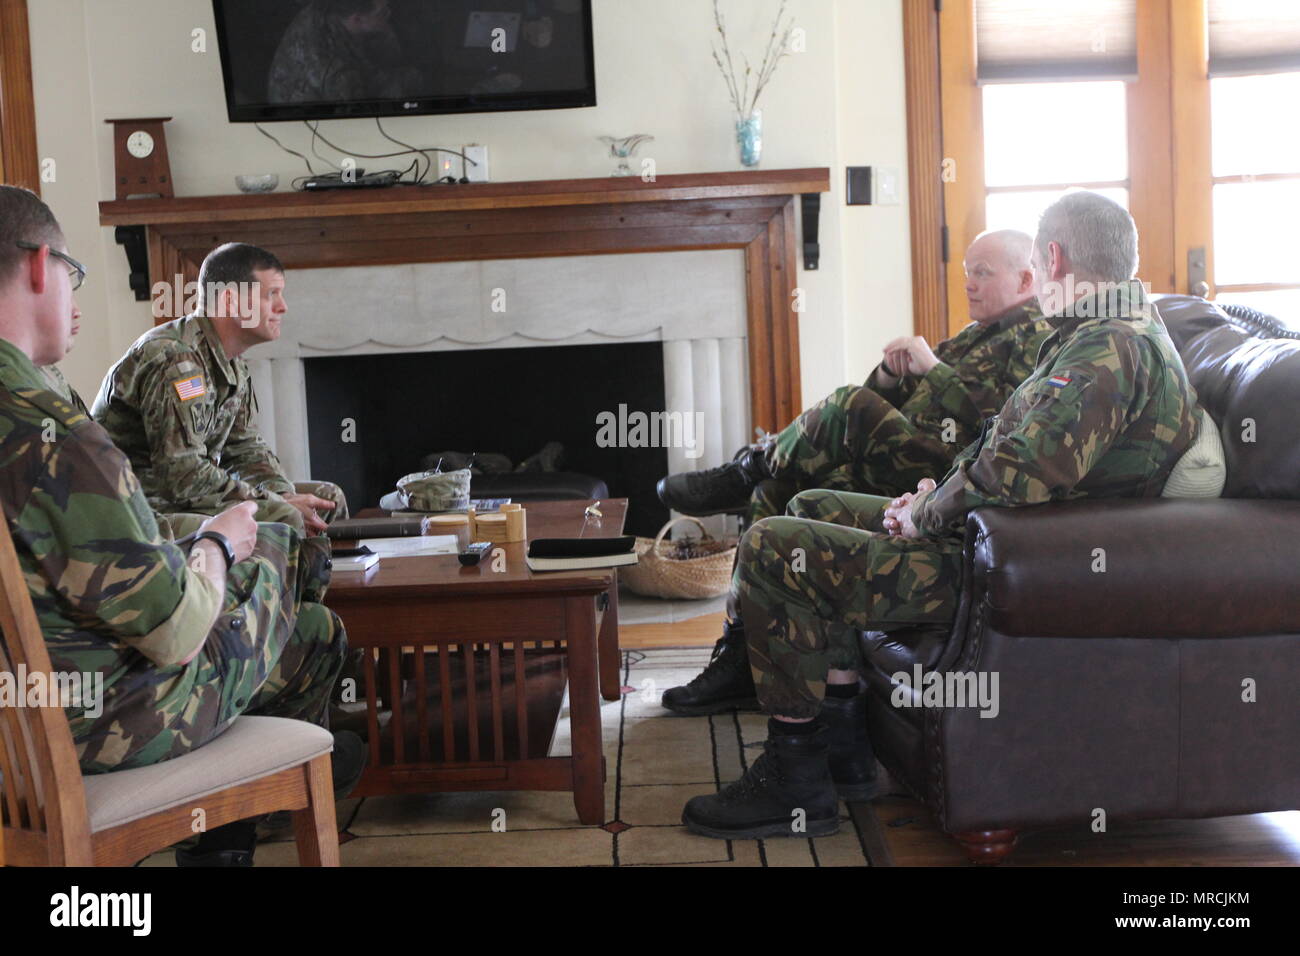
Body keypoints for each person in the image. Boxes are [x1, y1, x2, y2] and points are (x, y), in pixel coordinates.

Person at [680, 191, 1200, 839]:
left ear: (1055, 259)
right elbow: (1005, 452)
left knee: (770, 545)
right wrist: (932, 492)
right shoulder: (1097, 338)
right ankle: (841, 746)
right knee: (812, 505)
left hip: (1010, 565)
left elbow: (1022, 474)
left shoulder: (1108, 351)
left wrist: (927, 514)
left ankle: (796, 777)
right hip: (998, 540)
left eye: (1035, 259)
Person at [0, 186, 361, 866]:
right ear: (42, 267)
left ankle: (248, 805)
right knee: (303, 610)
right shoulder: (56, 428)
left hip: (31, 699)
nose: (284, 307)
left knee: (299, 584)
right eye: (72, 279)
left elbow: (247, 453)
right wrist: (225, 543)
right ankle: (242, 815)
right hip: (94, 723)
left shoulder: (41, 406)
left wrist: (279, 499)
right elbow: (174, 630)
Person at [656, 230, 1052, 722]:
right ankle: (741, 650)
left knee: (849, 404)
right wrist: (888, 377)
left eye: (982, 273)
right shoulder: (971, 336)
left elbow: (998, 427)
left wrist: (934, 370)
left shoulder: (1037, 338)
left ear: (1026, 279)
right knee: (776, 491)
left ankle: (746, 466)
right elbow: (895, 405)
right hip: (909, 456)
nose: (968, 283)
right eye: (967, 270)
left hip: (946, 477)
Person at [93, 242, 347, 540]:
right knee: (285, 516)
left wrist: (282, 493)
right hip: (139, 509)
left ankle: (342, 585)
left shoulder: (230, 359)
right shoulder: (175, 359)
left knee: (325, 499)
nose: (283, 307)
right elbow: (183, 475)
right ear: (231, 301)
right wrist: (277, 504)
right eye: (271, 295)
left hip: (185, 500)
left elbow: (244, 449)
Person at [267, 0, 416, 104]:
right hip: (312, 122)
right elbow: (360, 114)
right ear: (357, 19)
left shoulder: (328, 8)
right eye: (382, 12)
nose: (389, 12)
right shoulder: (337, 74)